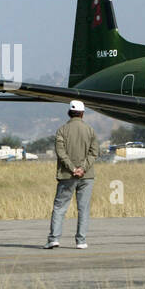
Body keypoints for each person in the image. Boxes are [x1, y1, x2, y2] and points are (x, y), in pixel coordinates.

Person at [45, 100, 99, 249]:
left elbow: (60, 152)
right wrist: (83, 168)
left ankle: (54, 239)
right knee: (83, 209)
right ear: (82, 113)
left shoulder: (62, 130)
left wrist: (72, 168)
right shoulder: (90, 130)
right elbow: (94, 153)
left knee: (59, 208)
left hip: (66, 176)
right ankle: (81, 241)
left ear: (69, 112)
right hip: (86, 176)